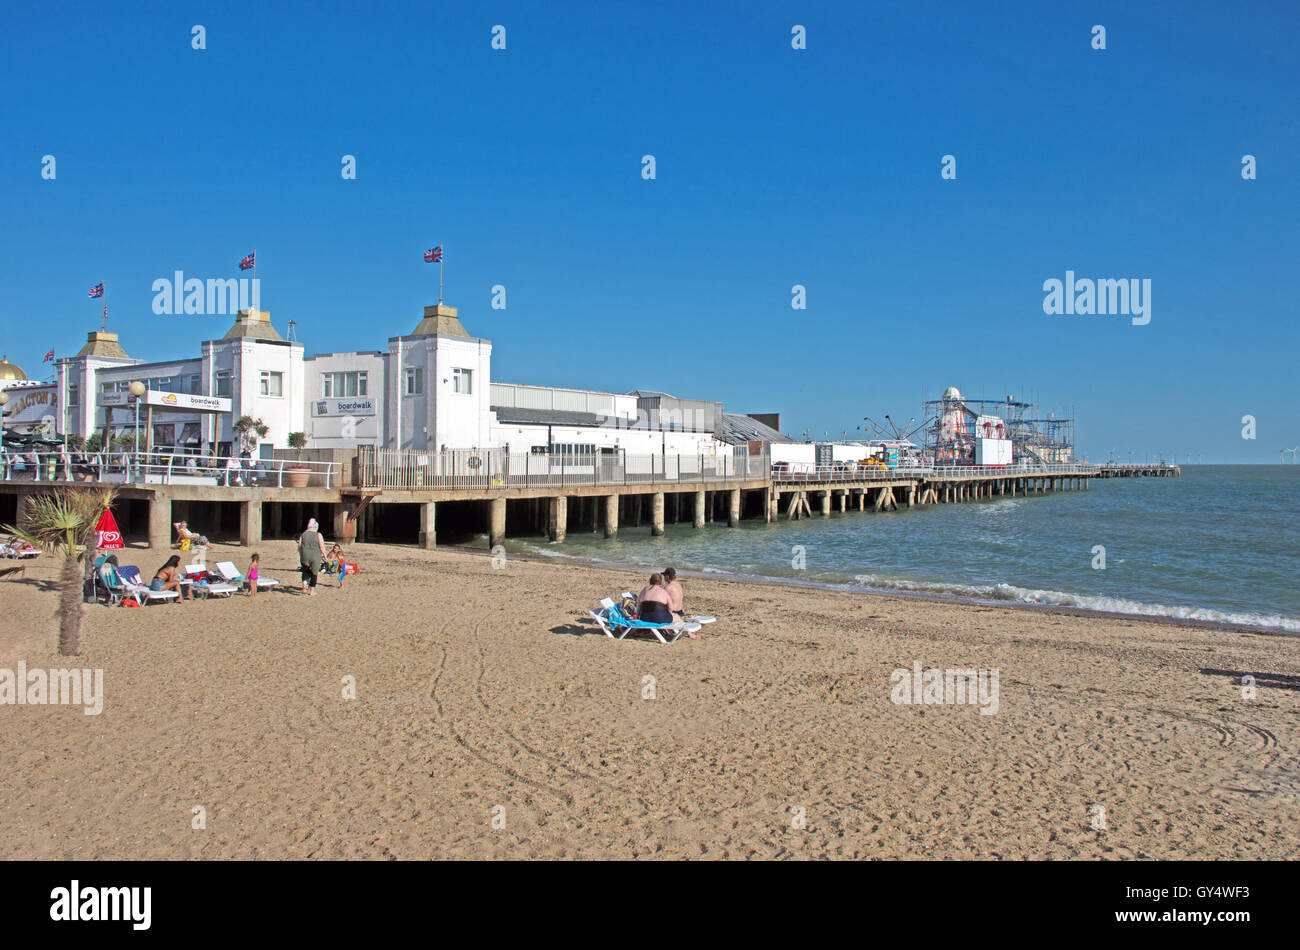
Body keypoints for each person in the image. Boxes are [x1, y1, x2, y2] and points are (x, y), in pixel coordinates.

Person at [298, 517, 327, 596]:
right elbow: (322, 547)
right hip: (315, 556)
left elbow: (299, 546)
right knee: (314, 573)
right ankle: (311, 591)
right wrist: (325, 557)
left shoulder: (303, 534)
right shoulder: (318, 534)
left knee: (305, 571)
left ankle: (304, 586)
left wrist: (301, 554)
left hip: (304, 555)